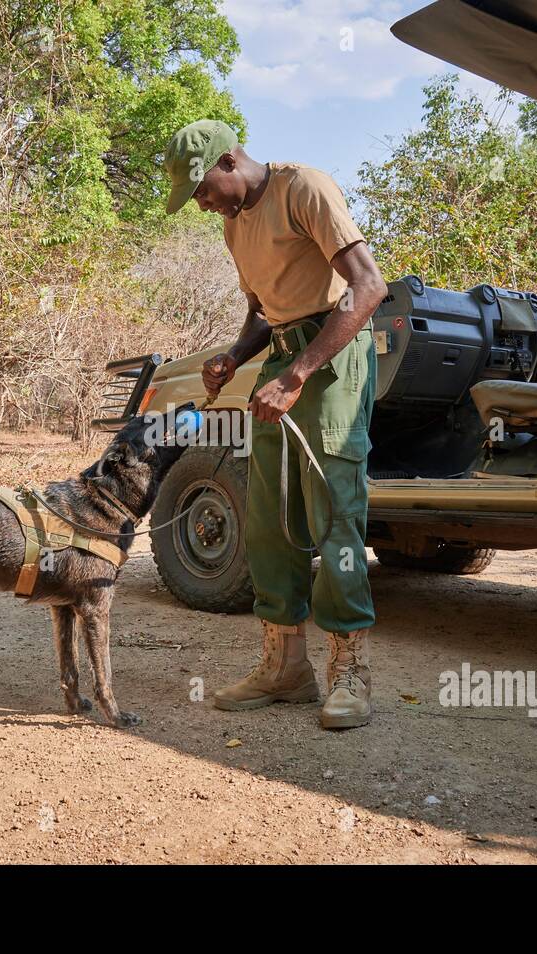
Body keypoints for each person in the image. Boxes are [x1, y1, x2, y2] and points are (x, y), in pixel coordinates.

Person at [161, 119, 386, 729]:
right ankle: (285, 665)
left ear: (229, 161)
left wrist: (298, 375)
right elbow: (263, 310)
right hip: (285, 353)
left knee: (333, 508)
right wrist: (234, 356)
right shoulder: (236, 225)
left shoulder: (303, 188)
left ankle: (350, 671)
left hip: (334, 353)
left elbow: (368, 288)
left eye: (203, 189)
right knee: (268, 510)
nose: (203, 205)